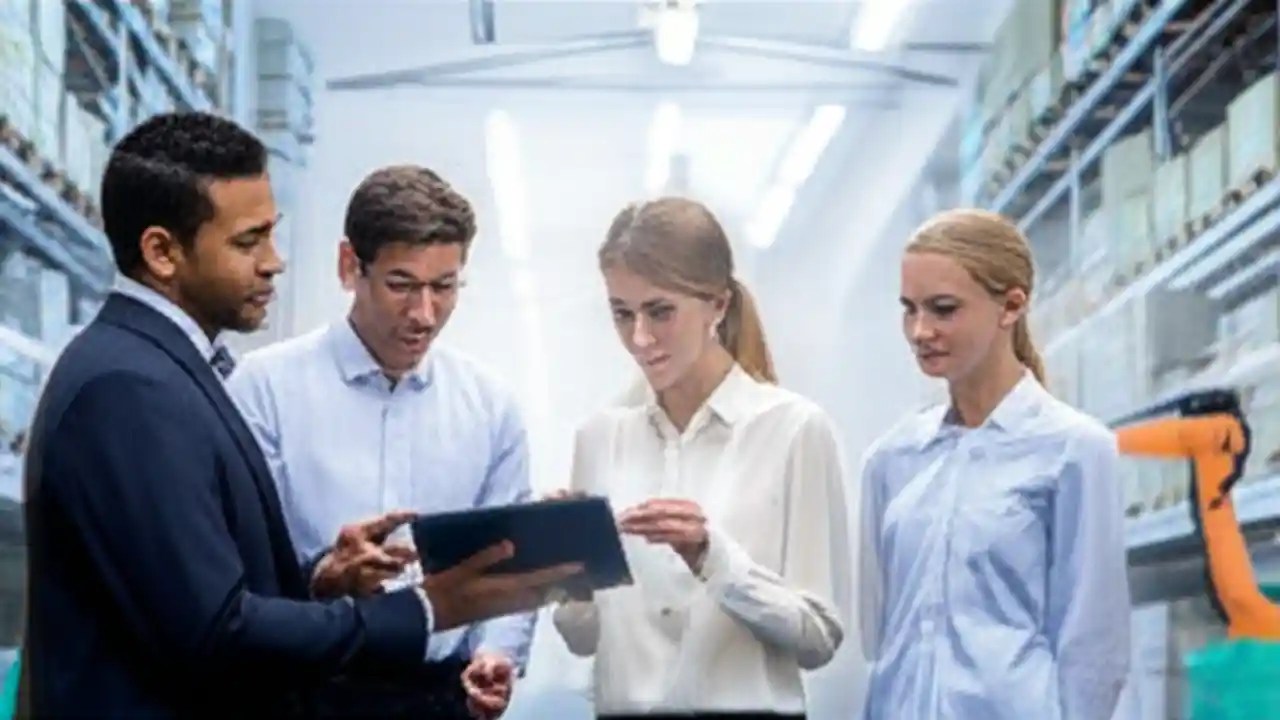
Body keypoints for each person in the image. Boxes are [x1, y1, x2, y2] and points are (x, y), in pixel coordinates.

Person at [17, 112, 580, 718]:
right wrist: (426, 608)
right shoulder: (133, 386)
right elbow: (217, 626)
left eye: (445, 286)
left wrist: (321, 580)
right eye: (247, 241)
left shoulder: (169, 370)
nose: (274, 262)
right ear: (161, 252)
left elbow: (206, 592)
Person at [227, 164, 534, 719]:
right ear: (350, 266)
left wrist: (495, 654)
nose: (424, 314)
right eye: (401, 285)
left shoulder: (490, 407)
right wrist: (322, 577)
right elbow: (236, 565)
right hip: (306, 691)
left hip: (440, 697)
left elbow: (505, 569)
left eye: (444, 287)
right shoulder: (263, 388)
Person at [551, 197, 851, 719]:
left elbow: (817, 638)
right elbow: (583, 638)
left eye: (660, 311)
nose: (640, 339)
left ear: (718, 305)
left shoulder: (794, 429)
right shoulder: (598, 438)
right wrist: (571, 570)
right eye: (622, 314)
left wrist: (713, 557)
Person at [857, 208, 1131, 719]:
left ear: (1010, 306)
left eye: (943, 309)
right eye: (909, 309)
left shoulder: (1074, 450)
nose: (920, 330)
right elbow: (878, 634)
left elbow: (1093, 649)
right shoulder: (891, 461)